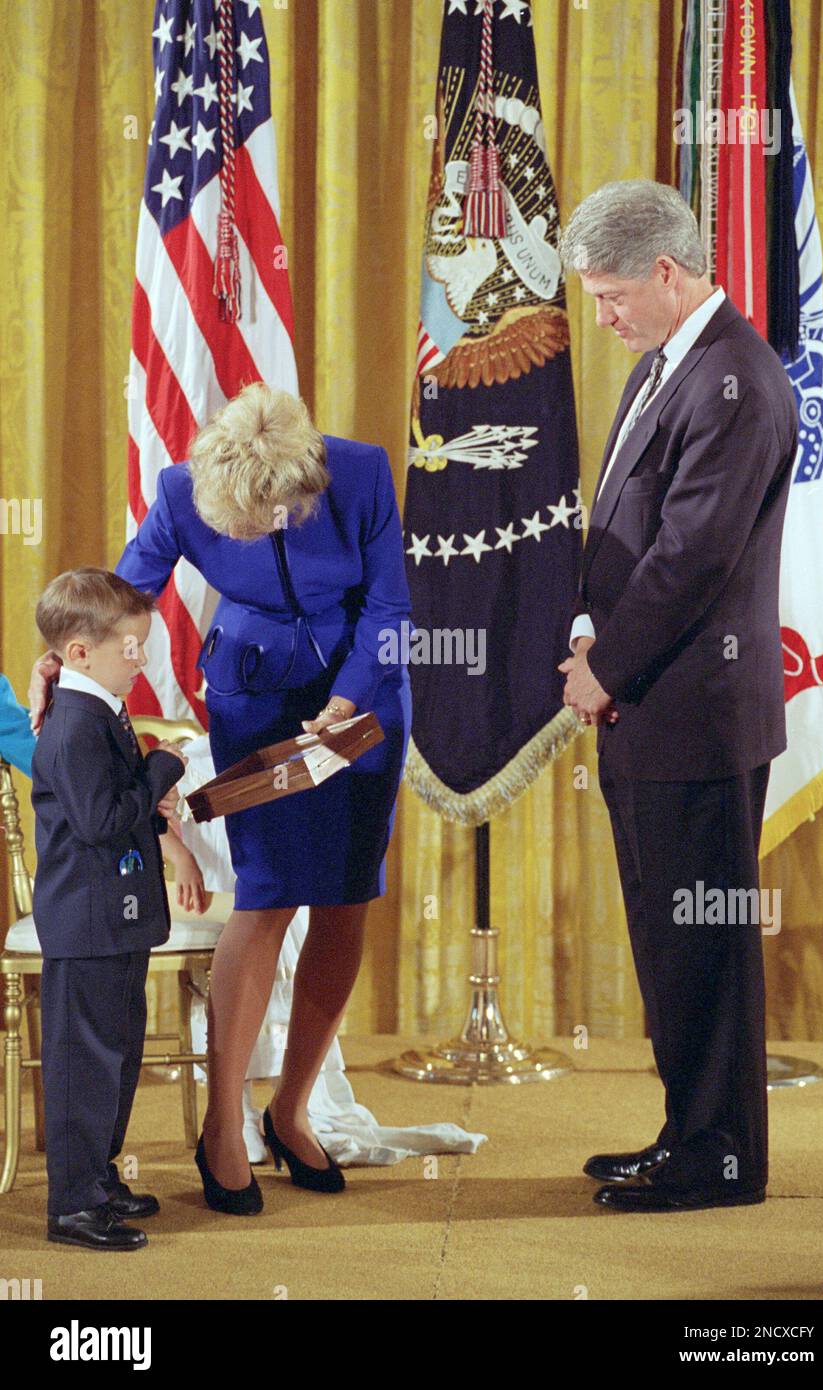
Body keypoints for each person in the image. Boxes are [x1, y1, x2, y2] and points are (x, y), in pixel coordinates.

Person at [29, 383, 413, 1214]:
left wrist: (348, 697)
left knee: (347, 900)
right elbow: (123, 598)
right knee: (268, 896)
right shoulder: (177, 492)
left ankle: (292, 1108)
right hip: (254, 698)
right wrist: (63, 658)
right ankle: (221, 1127)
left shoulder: (360, 473)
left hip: (359, 699)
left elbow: (389, 609)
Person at [557, 179, 798, 1212]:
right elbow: (619, 523)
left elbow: (692, 555)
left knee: (704, 946)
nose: (601, 318)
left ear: (666, 270)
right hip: (654, 707)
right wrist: (583, 630)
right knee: (672, 939)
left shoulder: (734, 378)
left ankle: (719, 1157)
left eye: (611, 296)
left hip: (695, 712)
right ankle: (688, 1132)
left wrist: (605, 668)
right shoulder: (669, 367)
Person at [163, 731, 487, 1167]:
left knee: (293, 932)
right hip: (217, 877)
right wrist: (179, 856)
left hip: (288, 800)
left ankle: (289, 1104)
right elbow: (145, 803)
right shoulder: (186, 751)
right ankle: (233, 1110)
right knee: (249, 938)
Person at [29, 569, 187, 1249]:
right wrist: (161, 769)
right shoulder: (73, 723)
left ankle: (98, 1179)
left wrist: (148, 803)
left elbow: (110, 813)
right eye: (132, 647)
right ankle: (71, 1204)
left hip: (112, 916)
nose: (142, 659)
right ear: (81, 652)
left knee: (117, 1056)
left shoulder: (97, 711)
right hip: (86, 919)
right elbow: (99, 821)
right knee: (83, 1061)